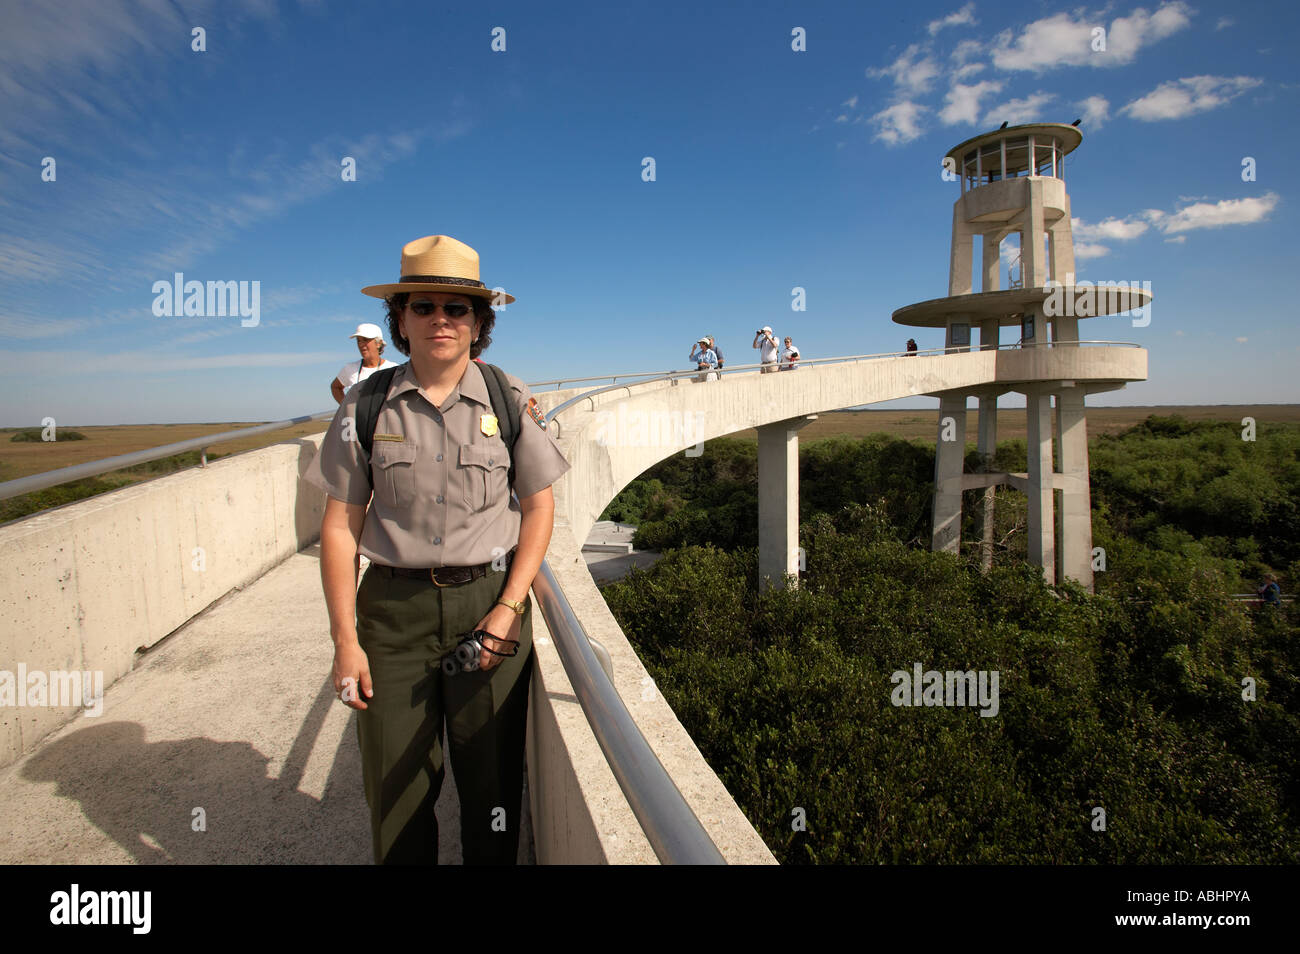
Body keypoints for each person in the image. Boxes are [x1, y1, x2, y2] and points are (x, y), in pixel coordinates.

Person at [304, 234, 571, 865]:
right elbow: (339, 528)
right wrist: (346, 640)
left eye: (457, 308)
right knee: (396, 793)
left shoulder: (505, 398)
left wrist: (508, 608)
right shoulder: (365, 406)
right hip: (393, 617)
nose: (441, 319)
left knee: (494, 791)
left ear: (479, 323)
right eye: (423, 306)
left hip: (489, 607)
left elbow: (539, 507)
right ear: (400, 321)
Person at [331, 323, 401, 405]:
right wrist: (346, 408)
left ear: (378, 343)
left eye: (365, 340)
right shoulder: (350, 369)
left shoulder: (394, 369)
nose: (361, 344)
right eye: (358, 341)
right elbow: (335, 387)